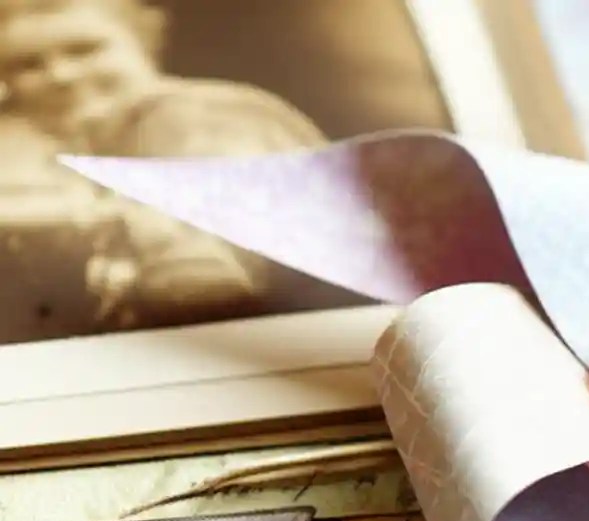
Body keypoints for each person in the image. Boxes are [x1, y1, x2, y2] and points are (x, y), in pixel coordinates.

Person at [0, 0, 357, 342]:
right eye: (27, 65)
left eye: (85, 49)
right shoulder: (56, 145)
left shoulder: (193, 113)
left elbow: (199, 284)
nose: (60, 74)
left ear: (145, 35)